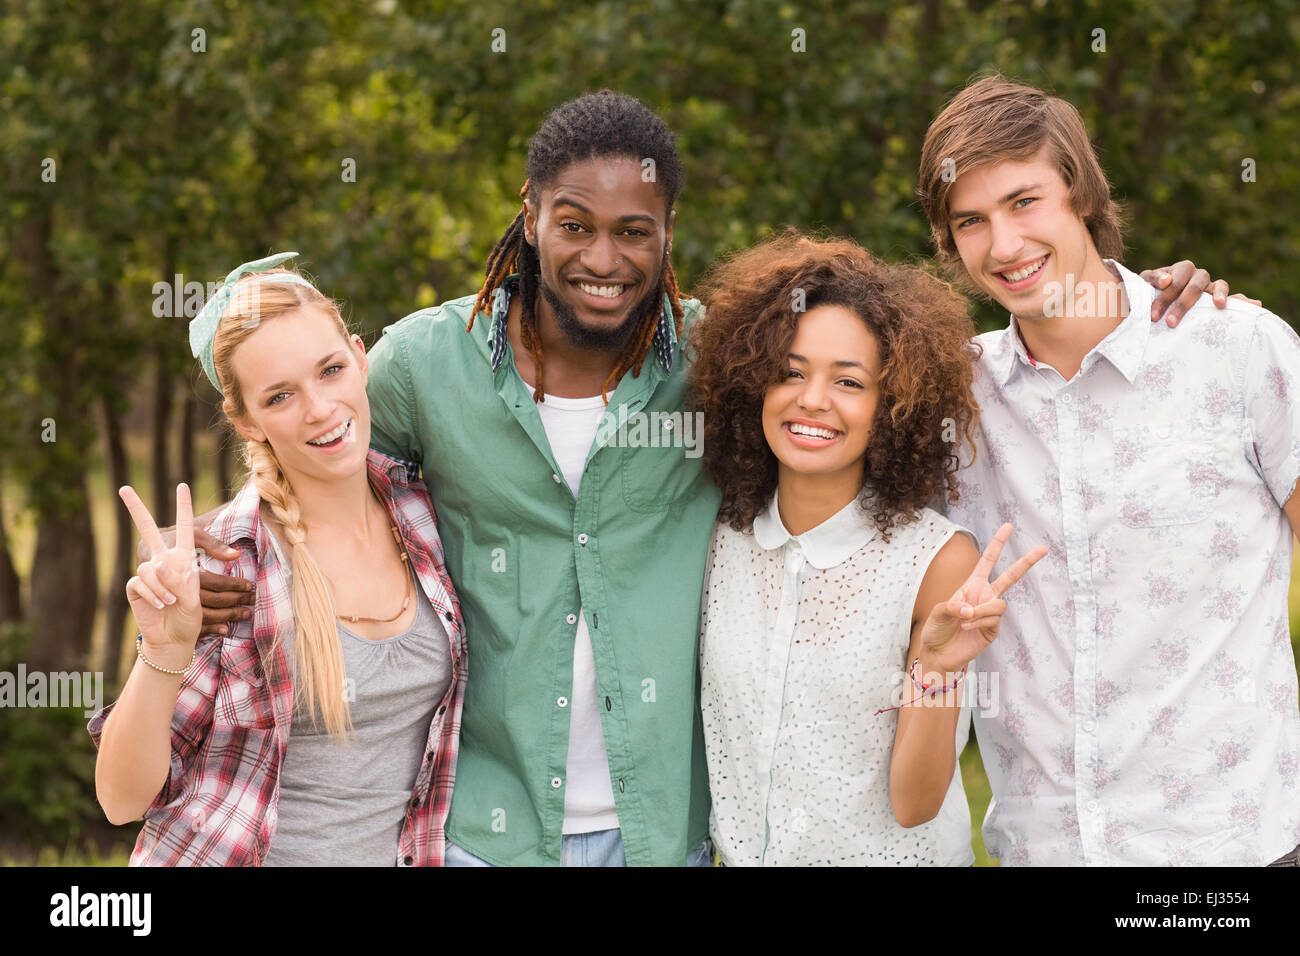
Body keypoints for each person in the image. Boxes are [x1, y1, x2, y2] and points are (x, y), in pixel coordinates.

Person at [185, 91, 1230, 866]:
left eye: (634, 229)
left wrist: (1139, 297)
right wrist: (222, 545)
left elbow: (881, 377)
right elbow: (316, 445)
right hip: (485, 829)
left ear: (668, 232)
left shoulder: (717, 363)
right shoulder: (425, 362)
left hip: (664, 835)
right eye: (575, 223)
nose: (604, 254)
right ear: (530, 212)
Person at [917, 75, 1300, 866]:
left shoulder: (1237, 350)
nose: (1005, 244)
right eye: (971, 222)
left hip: (1229, 850)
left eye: (1025, 202)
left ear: (1082, 195)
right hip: (1042, 850)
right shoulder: (952, 398)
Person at [89, 254, 466, 866]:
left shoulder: (427, 518)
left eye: (331, 370)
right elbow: (121, 799)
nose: (319, 409)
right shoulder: (229, 566)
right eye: (281, 396)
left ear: (361, 357)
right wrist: (162, 652)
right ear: (245, 419)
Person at [688, 232, 1045, 865]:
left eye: (849, 382)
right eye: (790, 372)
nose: (813, 400)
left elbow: (916, 804)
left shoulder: (935, 561)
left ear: (893, 407)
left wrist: (934, 673)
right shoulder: (719, 541)